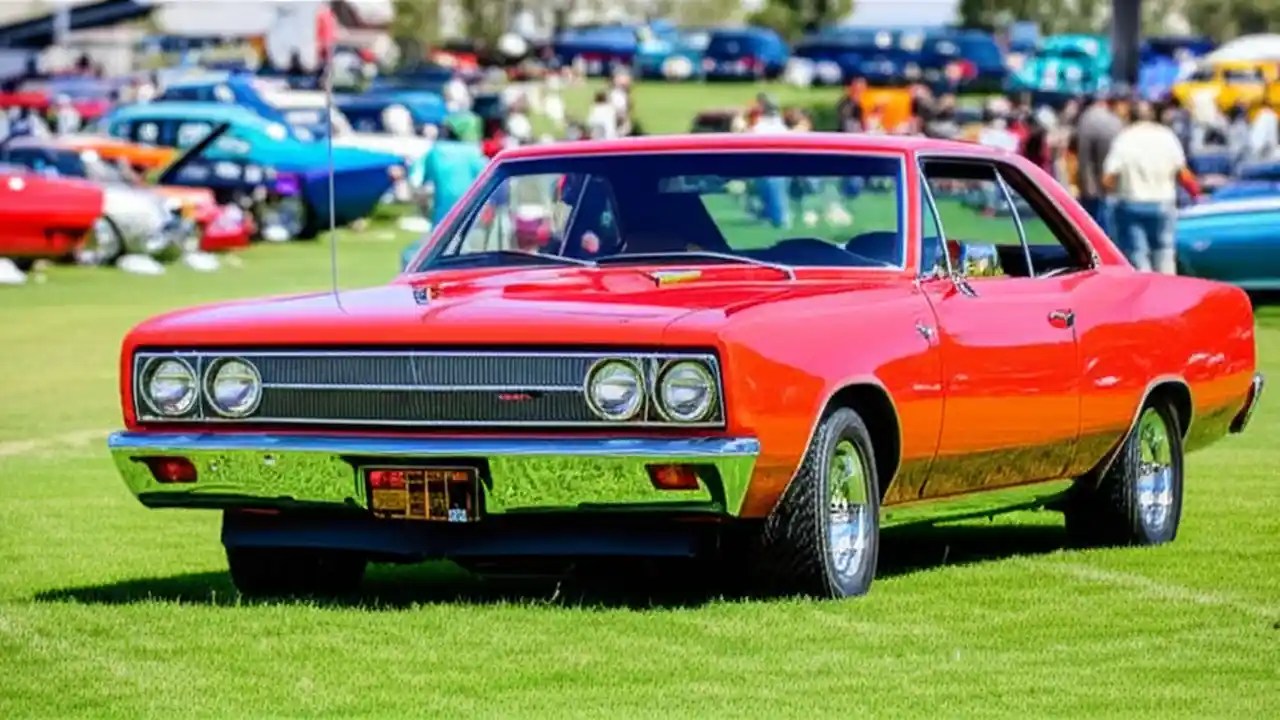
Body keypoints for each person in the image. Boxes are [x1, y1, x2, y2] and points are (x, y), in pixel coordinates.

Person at [1103, 99, 1188, 274]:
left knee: (1137, 254)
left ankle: (1145, 292)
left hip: (1132, 202)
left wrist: (1114, 193)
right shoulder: (1166, 136)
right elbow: (1183, 173)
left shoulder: (1125, 138)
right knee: (1164, 252)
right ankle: (1166, 291)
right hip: (1163, 201)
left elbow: (1108, 178)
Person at [400, 112, 488, 269]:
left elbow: (416, 180)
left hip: (443, 218)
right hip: (474, 218)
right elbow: (490, 179)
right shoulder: (474, 153)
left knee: (417, 257)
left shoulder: (436, 151)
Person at [1074, 91, 1124, 235]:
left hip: (1094, 186)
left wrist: (1087, 188)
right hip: (1114, 182)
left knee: (1095, 225)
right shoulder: (1115, 120)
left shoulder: (1086, 119)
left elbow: (1084, 158)